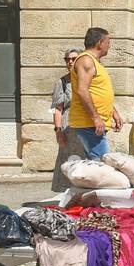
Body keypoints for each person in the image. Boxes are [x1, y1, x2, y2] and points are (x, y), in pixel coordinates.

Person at [69, 27, 123, 160]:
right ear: (100, 43)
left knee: (95, 167)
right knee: (102, 164)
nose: (109, 46)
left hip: (94, 124)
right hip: (89, 124)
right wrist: (96, 118)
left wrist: (113, 112)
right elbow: (82, 91)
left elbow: (97, 91)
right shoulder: (86, 61)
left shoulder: (95, 62)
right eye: (108, 42)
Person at [49, 48, 80, 191]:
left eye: (74, 59)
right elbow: (57, 109)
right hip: (69, 128)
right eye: (68, 60)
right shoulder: (61, 82)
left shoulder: (89, 79)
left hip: (86, 126)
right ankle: (67, 193)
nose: (70, 62)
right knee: (68, 160)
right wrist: (58, 131)